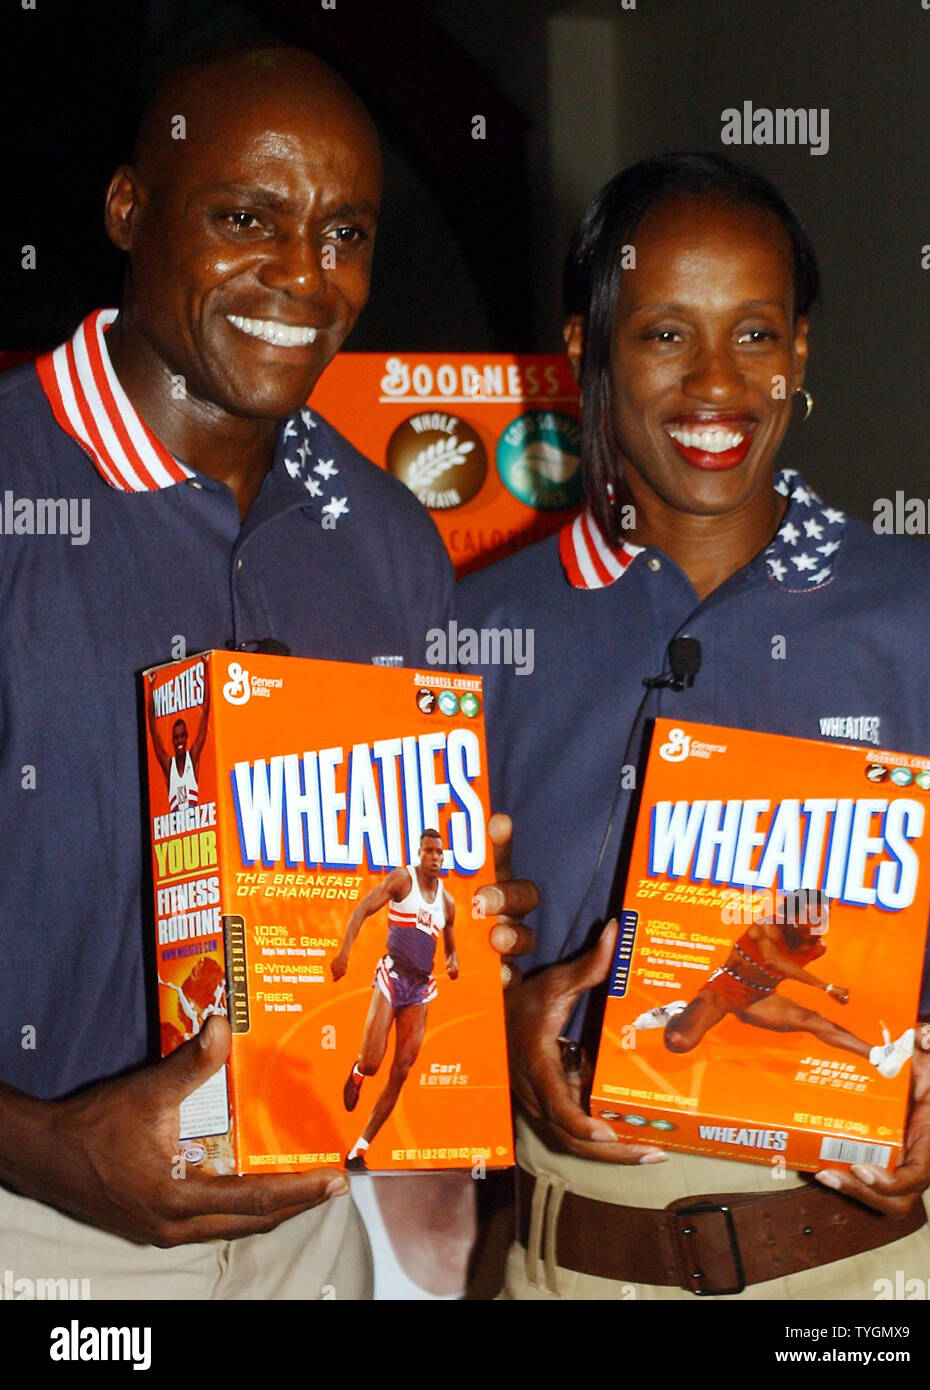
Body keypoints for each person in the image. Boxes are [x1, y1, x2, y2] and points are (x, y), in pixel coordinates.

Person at [0, 41, 530, 1301]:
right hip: (44, 1242)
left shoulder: (388, 537)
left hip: (309, 1228)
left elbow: (373, 901)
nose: (304, 276)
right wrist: (44, 1143)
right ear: (131, 209)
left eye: (345, 233)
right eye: (248, 218)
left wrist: (466, 920)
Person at [458, 153, 930, 1299]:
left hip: (863, 1271)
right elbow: (385, 951)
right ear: (585, 354)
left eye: (757, 334)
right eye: (665, 334)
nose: (717, 384)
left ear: (801, 354)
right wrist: (499, 1023)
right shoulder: (473, 630)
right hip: (574, 1263)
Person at [636, 890, 915, 1079]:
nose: (820, 923)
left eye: (825, 916)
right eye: (813, 916)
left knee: (812, 1020)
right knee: (679, 1042)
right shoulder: (765, 926)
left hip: (760, 998)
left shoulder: (818, 948)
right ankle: (676, 1013)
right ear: (792, 916)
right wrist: (826, 987)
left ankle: (879, 1056)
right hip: (723, 989)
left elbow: (779, 970)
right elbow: (773, 961)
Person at [332, 829, 457, 1171]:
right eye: (429, 851)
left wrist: (452, 958)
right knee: (373, 1063)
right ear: (420, 853)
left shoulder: (447, 901)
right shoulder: (403, 880)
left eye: (439, 853)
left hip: (420, 989)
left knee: (401, 1070)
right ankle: (358, 1073)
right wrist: (345, 953)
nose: (434, 857)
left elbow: (449, 933)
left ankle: (359, 1149)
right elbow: (362, 909)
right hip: (393, 976)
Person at [147, 670, 210, 811]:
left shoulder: (192, 757)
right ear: (172, 741)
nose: (179, 740)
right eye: (176, 738)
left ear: (187, 737)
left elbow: (205, 714)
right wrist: (150, 686)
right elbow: (152, 729)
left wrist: (207, 667)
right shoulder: (168, 765)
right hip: (176, 828)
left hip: (195, 826)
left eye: (182, 736)